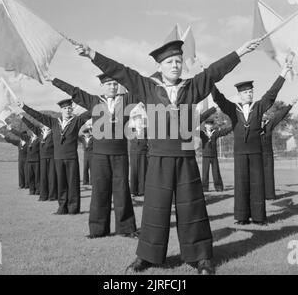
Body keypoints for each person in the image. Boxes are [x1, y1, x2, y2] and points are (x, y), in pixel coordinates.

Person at [73, 37, 261, 274]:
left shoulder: (192, 86)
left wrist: (240, 51)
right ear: (160, 66)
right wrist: (92, 54)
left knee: (192, 207)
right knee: (154, 209)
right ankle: (147, 257)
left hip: (185, 158)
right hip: (159, 159)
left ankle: (201, 257)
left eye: (178, 61)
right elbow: (119, 71)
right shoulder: (147, 87)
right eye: (170, 61)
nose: (175, 65)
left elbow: (215, 72)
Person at [46, 74, 138, 238]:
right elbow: (74, 92)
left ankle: (126, 228)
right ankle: (97, 230)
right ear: (102, 86)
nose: (112, 87)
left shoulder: (126, 100)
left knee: (122, 191)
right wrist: (54, 80)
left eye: (115, 84)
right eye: (109, 84)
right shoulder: (94, 101)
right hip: (100, 155)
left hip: (120, 155)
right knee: (100, 192)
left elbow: (142, 87)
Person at [211, 58, 293, 225]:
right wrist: (209, 80)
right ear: (240, 95)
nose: (249, 94)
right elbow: (218, 98)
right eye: (246, 92)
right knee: (241, 184)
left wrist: (283, 72)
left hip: (256, 152)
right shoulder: (233, 109)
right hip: (240, 152)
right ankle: (242, 217)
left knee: (257, 183)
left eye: (251, 91)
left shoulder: (259, 106)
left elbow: (272, 94)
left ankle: (259, 217)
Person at [16, 98, 91, 215]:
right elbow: (38, 116)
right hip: (58, 158)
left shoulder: (77, 120)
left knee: (73, 184)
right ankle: (62, 208)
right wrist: (24, 107)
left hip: (71, 158)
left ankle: (73, 208)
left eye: (69, 108)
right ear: (61, 110)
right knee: (61, 184)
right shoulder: (54, 122)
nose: (67, 110)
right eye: (65, 108)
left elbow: (90, 112)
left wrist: (99, 103)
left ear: (72, 109)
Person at [261, 97, 298, 200]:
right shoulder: (253, 127)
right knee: (257, 176)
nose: (262, 122)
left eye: (264, 120)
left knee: (268, 175)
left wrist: (290, 104)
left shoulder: (269, 125)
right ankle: (258, 195)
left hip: (268, 154)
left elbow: (280, 115)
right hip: (256, 154)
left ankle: (270, 195)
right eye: (261, 120)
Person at [19, 115, 57, 201]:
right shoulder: (40, 133)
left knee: (51, 177)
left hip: (51, 158)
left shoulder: (54, 132)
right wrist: (22, 117)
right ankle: (43, 196)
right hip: (42, 158)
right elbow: (31, 125)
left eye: (46, 124)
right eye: (44, 124)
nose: (44, 125)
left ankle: (52, 196)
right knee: (43, 178)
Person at [200, 117, 232, 192]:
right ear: (205, 125)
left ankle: (219, 187)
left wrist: (232, 127)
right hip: (205, 156)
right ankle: (204, 188)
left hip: (214, 155)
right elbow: (193, 131)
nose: (209, 126)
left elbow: (224, 132)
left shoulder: (215, 133)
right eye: (208, 124)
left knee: (216, 171)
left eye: (211, 124)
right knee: (205, 173)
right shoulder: (202, 133)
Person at [8, 125, 40, 195]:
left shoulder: (39, 140)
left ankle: (38, 190)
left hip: (37, 161)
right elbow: (19, 134)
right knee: (30, 177)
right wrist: (11, 129)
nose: (33, 133)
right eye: (33, 132)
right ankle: (31, 191)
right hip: (29, 161)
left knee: (37, 177)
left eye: (34, 132)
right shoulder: (29, 139)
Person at [128, 103, 148, 197]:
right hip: (134, 151)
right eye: (136, 119)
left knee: (143, 169)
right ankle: (133, 190)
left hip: (144, 150)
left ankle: (142, 190)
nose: (138, 121)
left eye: (140, 119)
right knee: (134, 170)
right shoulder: (131, 131)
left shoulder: (146, 131)